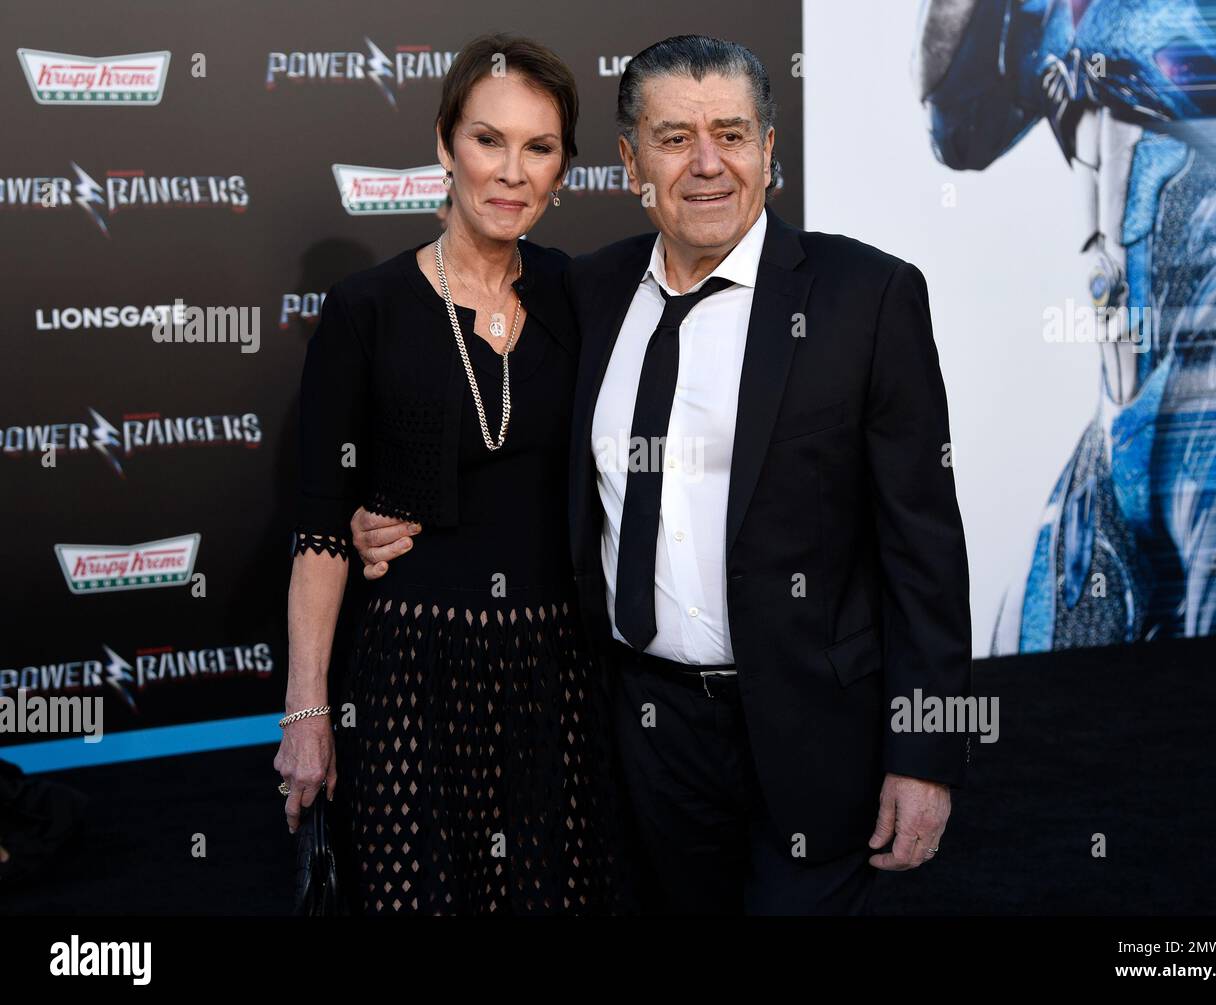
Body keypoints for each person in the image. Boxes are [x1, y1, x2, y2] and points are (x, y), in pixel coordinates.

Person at [354, 34, 973, 915]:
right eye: (675, 137)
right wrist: (380, 511)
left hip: (817, 730)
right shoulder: (587, 293)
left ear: (770, 148)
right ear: (629, 159)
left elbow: (926, 552)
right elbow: (498, 430)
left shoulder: (865, 298)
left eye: (732, 132)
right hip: (642, 734)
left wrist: (925, 753)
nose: (707, 163)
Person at [275, 32, 628, 915]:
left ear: (563, 170)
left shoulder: (581, 296)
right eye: (488, 140)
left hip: (559, 683)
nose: (511, 172)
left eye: (539, 148)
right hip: (409, 679)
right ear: (444, 144)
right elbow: (322, 527)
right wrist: (306, 714)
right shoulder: (369, 309)